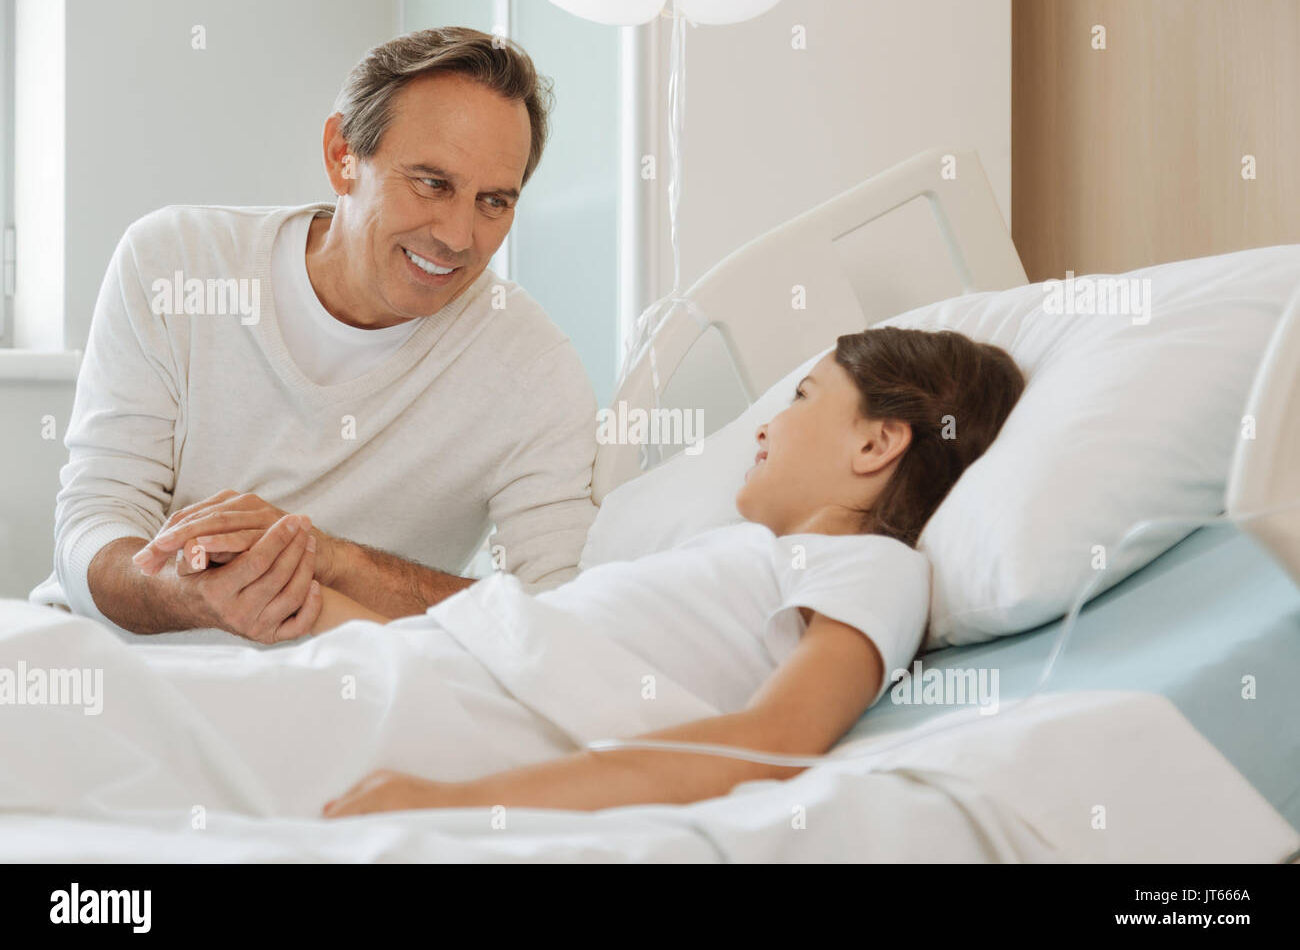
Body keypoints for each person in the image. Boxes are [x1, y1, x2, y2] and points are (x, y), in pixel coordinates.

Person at [30, 27, 598, 646]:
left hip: (320, 697)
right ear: (342, 155)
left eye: (494, 202)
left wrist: (335, 561)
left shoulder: (533, 368)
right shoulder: (174, 262)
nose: (459, 237)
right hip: (105, 657)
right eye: (432, 183)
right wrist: (183, 595)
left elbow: (561, 620)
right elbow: (93, 521)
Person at [309, 327, 1026, 814]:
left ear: (876, 442)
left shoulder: (874, 567)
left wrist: (458, 807)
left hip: (436, 728)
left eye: (803, 396)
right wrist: (310, 601)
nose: (765, 426)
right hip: (410, 676)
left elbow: (775, 743)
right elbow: (504, 647)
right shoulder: (738, 556)